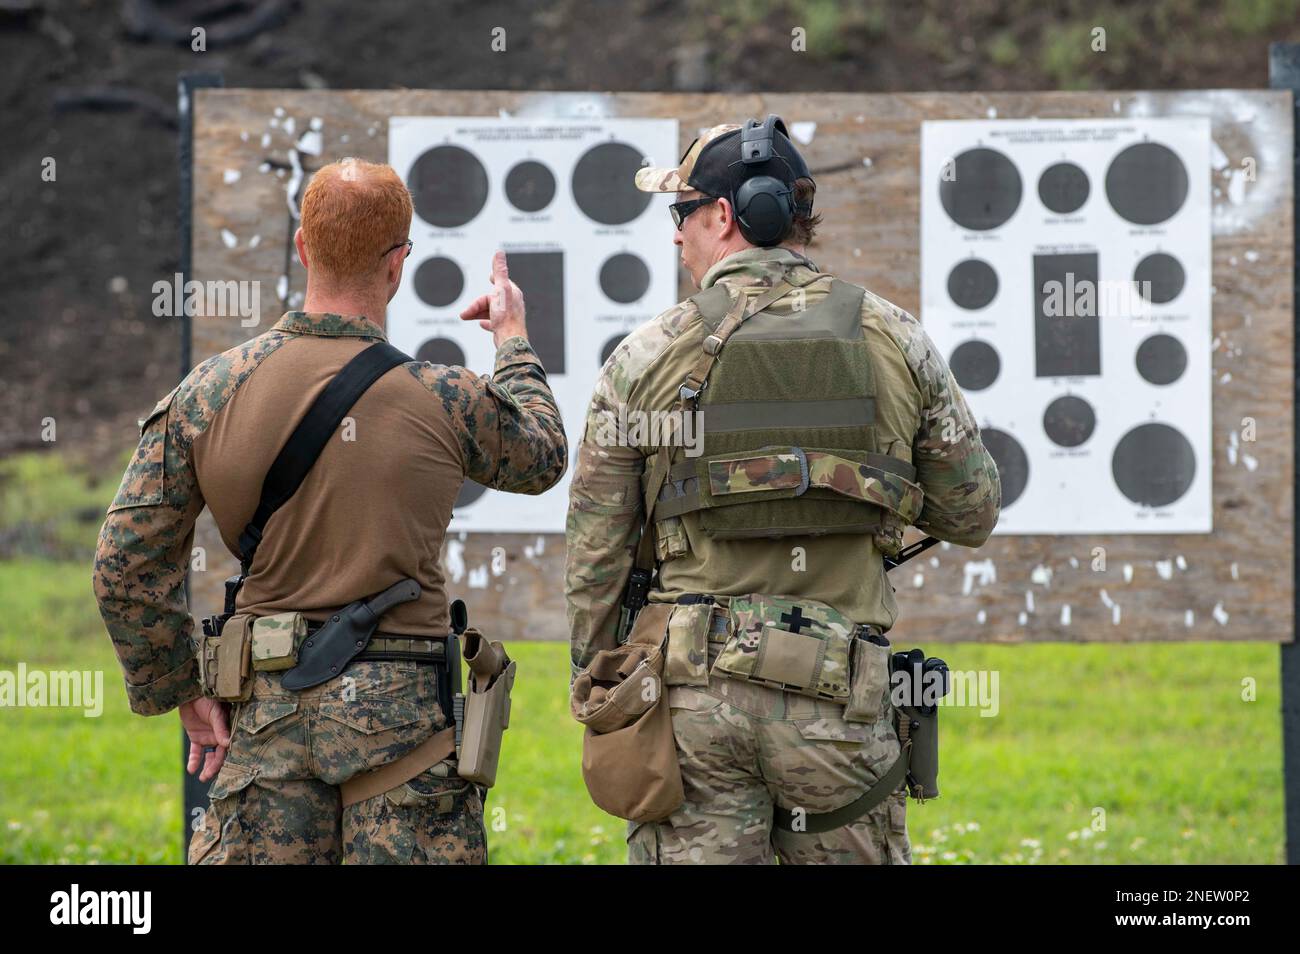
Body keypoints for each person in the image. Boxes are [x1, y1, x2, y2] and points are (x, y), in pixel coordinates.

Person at [93, 157, 567, 864]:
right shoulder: (446, 397)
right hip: (407, 734)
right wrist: (512, 340)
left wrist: (182, 690)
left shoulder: (210, 391)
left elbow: (122, 566)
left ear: (302, 248)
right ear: (399, 262)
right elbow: (544, 455)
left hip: (264, 724)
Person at [565, 118, 1000, 864]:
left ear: (726, 216)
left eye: (682, 213)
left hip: (691, 705)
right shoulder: (895, 337)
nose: (675, 236)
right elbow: (972, 510)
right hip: (840, 698)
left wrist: (597, 682)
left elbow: (596, 551)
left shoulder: (644, 356)